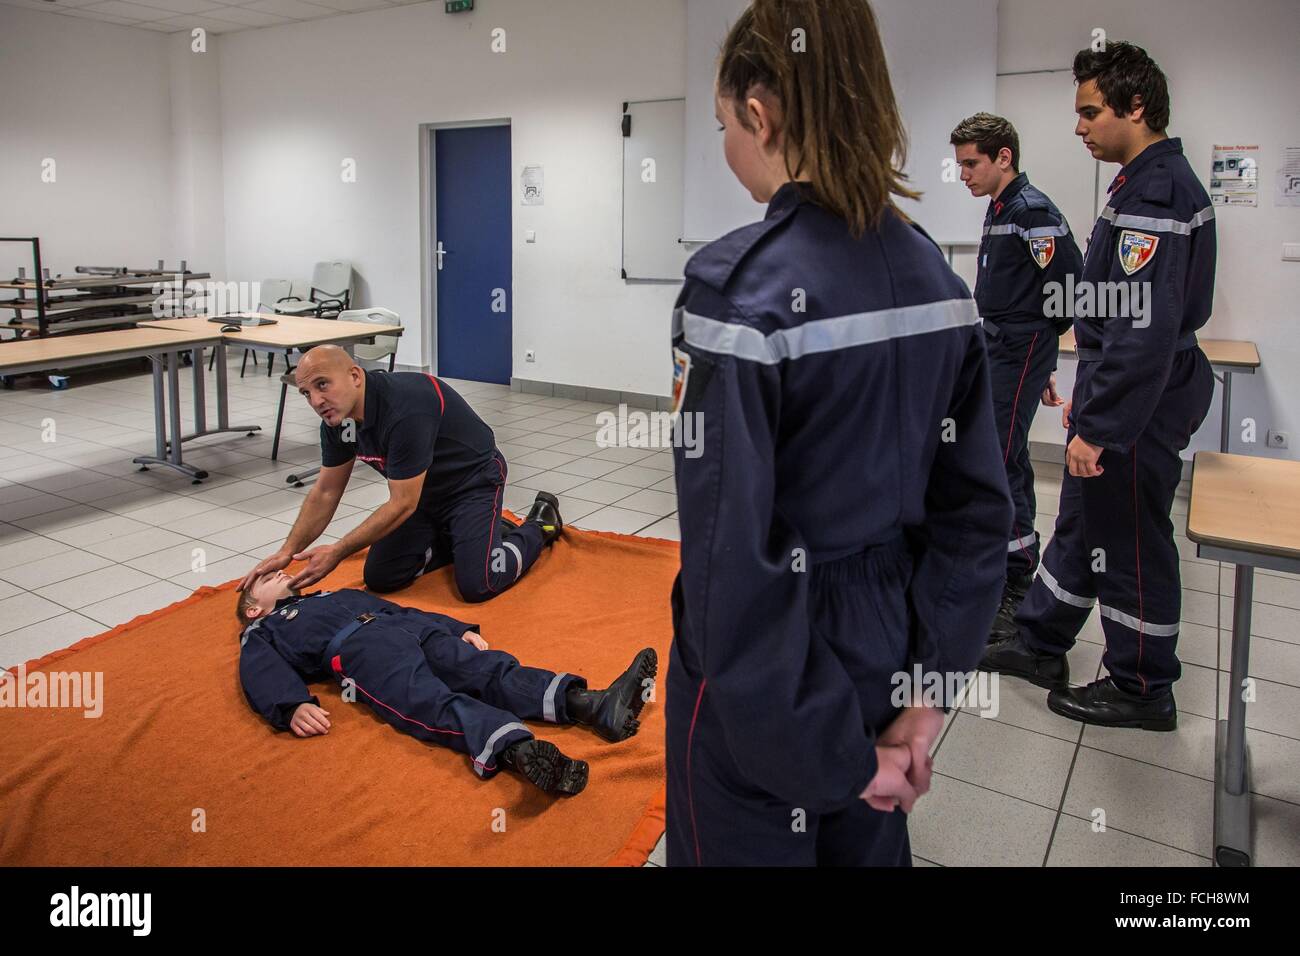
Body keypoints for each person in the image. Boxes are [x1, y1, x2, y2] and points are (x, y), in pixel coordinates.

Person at [664, 0, 1011, 866]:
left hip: (773, 673)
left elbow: (730, 566)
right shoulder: (937, 276)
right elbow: (975, 518)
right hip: (888, 643)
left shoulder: (735, 297)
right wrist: (922, 703)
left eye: (721, 125)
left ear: (760, 111)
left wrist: (834, 756)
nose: (727, 145)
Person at [980, 42, 1216, 731]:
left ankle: (1143, 686)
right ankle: (1040, 641)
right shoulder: (1141, 181)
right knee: (1085, 522)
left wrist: (1100, 428)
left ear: (1135, 107)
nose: (1079, 127)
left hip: (1140, 401)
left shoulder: (1157, 191)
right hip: (1127, 388)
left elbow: (1141, 330)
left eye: (1090, 112)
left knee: (1132, 539)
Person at [237, 570, 658, 795]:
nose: (280, 573)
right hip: (360, 652)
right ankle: (518, 750)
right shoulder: (263, 630)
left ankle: (591, 703)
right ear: (254, 608)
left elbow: (396, 607)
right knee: (429, 699)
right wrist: (290, 704)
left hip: (408, 628)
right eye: (267, 579)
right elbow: (261, 671)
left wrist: (454, 628)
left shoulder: (330, 595)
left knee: (488, 669)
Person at [238, 346, 562, 602]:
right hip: (422, 494)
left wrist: (338, 551)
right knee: (382, 577)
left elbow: (402, 503)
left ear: (355, 376)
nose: (316, 401)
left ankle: (539, 525)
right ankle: (467, 536)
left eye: (322, 385)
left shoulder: (405, 406)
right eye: (306, 393)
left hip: (472, 482)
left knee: (480, 583)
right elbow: (326, 492)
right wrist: (285, 552)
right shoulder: (338, 422)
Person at [951, 112, 1084, 638]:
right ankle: (1010, 564)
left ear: (1004, 157)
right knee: (1005, 452)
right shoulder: (1001, 207)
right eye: (959, 165)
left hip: (1019, 344)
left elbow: (1068, 287)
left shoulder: (1032, 211)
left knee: (1000, 457)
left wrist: (1040, 352)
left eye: (971, 164)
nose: (963, 175)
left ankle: (1014, 581)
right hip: (1004, 345)